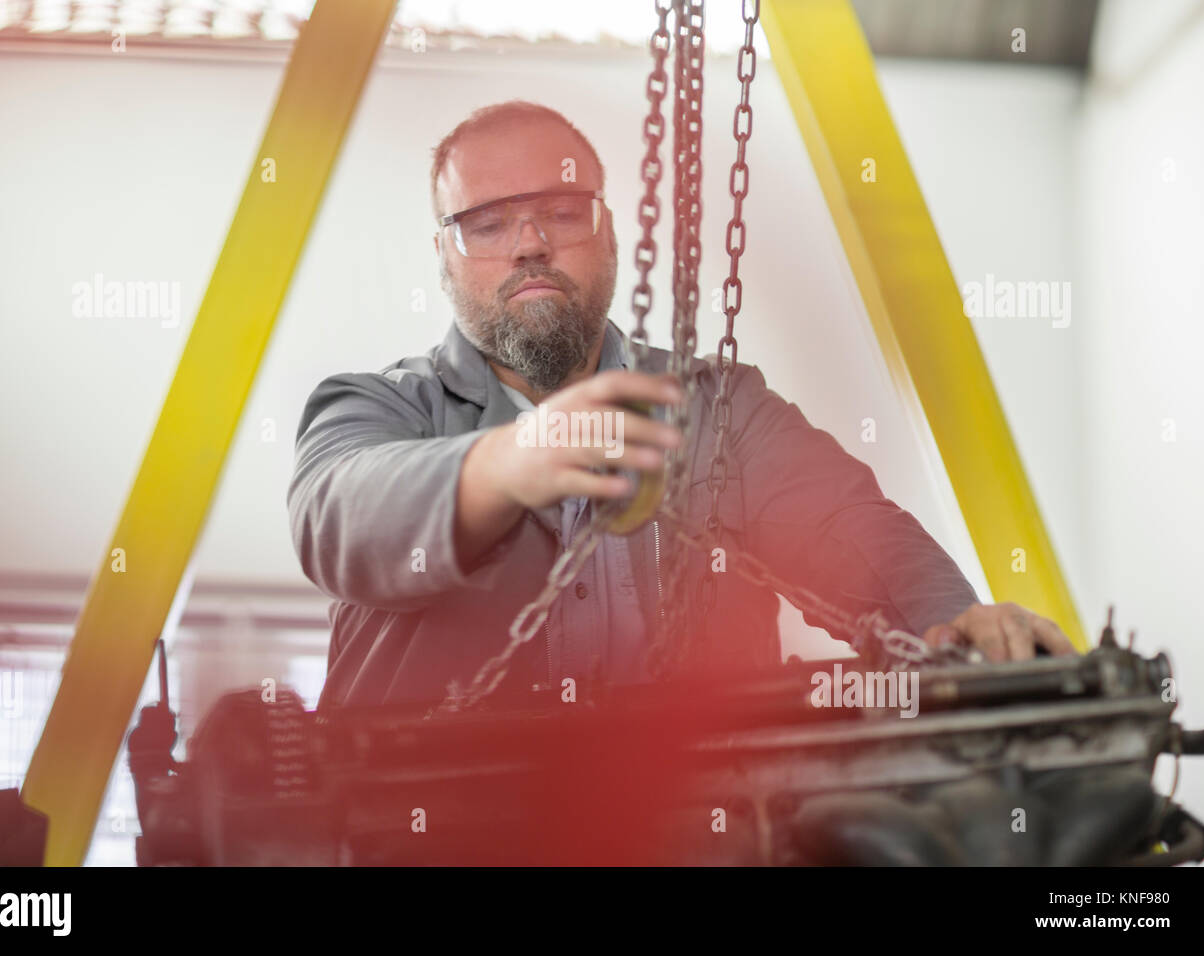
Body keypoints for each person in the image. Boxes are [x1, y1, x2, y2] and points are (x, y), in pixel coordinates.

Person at [287, 100, 1076, 710]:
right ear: (444, 258)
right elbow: (338, 514)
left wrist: (953, 626)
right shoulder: (377, 408)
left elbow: (855, 534)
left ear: (608, 232)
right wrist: (513, 459)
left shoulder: (721, 411)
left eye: (561, 213)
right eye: (486, 223)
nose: (529, 242)